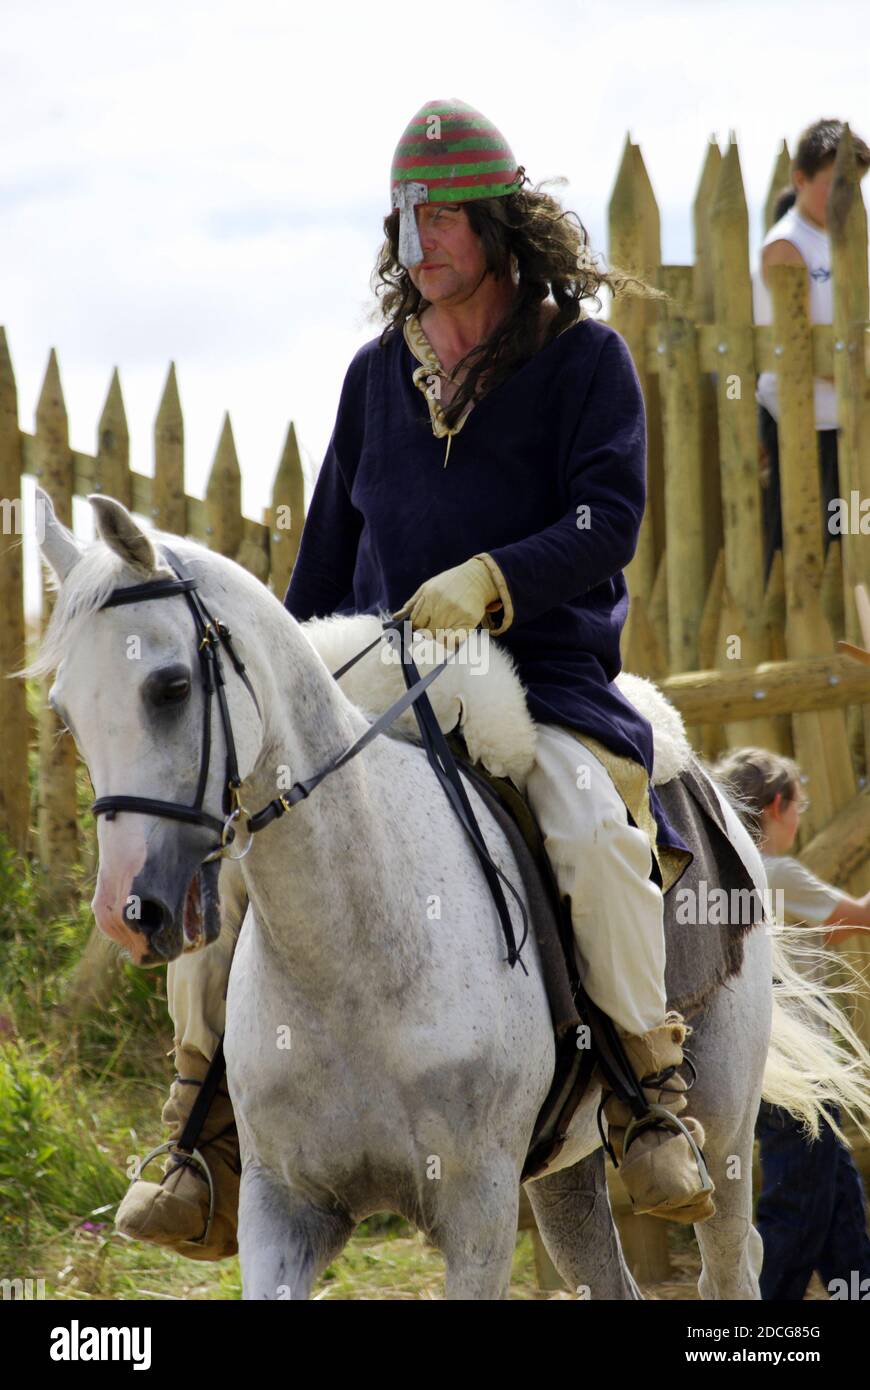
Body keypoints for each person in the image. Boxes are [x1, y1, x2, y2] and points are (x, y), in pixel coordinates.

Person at [116, 97, 716, 1260]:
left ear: (498, 228)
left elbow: (608, 521)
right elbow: (322, 570)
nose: (421, 235)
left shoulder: (584, 360)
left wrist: (493, 576)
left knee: (592, 832)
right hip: (378, 692)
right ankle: (201, 1129)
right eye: (406, 216)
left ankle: (649, 1094)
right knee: (241, 848)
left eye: (444, 215)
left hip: (539, 681)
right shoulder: (371, 379)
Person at [711, 746, 870, 1300]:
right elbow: (858, 918)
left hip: (771, 1069)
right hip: (796, 1071)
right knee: (797, 1211)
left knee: (839, 1204)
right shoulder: (775, 871)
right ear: (777, 806)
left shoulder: (726, 873)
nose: (799, 816)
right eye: (798, 805)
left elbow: (826, 932)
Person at [752, 118, 870, 584]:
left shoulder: (844, 240)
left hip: (843, 418)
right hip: (800, 422)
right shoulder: (787, 245)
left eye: (855, 185)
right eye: (836, 184)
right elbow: (801, 351)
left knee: (847, 554)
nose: (848, 195)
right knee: (801, 555)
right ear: (800, 180)